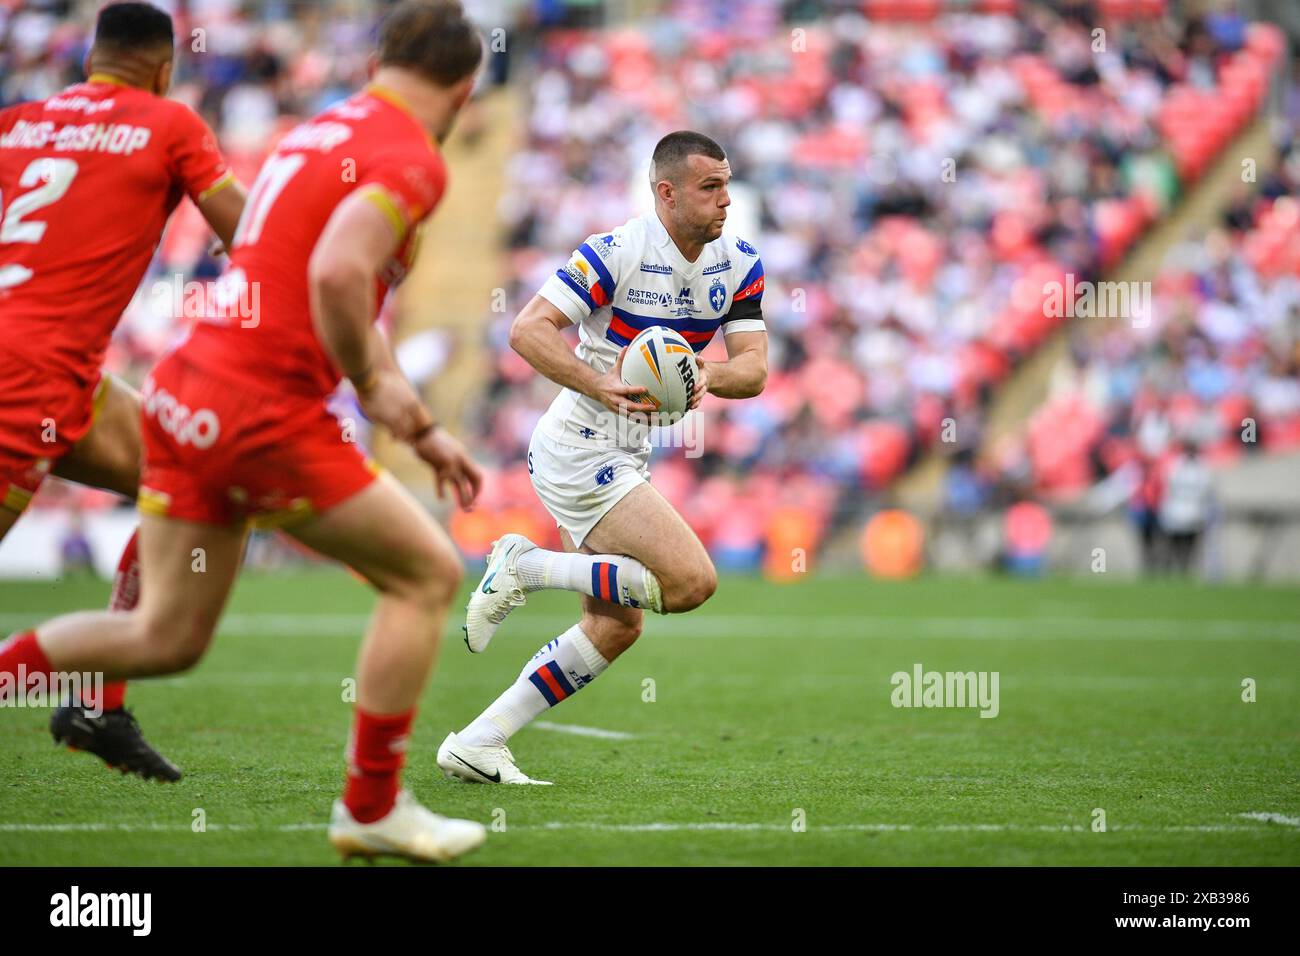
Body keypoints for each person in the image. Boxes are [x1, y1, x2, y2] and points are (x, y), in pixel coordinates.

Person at [0, 0, 489, 863]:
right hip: (251, 407)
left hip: (188, 387)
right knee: (427, 574)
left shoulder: (322, 128)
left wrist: (407, 414)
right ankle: (371, 806)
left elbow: (289, 263)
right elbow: (335, 268)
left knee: (168, 639)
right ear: (466, 83)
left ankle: (76, 694)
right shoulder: (407, 154)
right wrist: (378, 389)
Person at [438, 130, 768, 785]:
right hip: (580, 448)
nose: (726, 200)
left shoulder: (740, 263)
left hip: (623, 454)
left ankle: (480, 740)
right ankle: (526, 566)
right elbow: (527, 329)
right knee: (692, 583)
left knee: (615, 627)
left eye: (728, 184)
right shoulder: (615, 252)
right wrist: (601, 383)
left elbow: (754, 370)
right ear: (667, 193)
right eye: (710, 187)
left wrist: (700, 373)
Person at [0, 1, 246, 780]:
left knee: (191, 472)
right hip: (29, 377)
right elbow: (251, 236)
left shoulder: (18, 122)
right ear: (165, 69)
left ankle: (97, 704)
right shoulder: (169, 122)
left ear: (86, 62)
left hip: (57, 369)